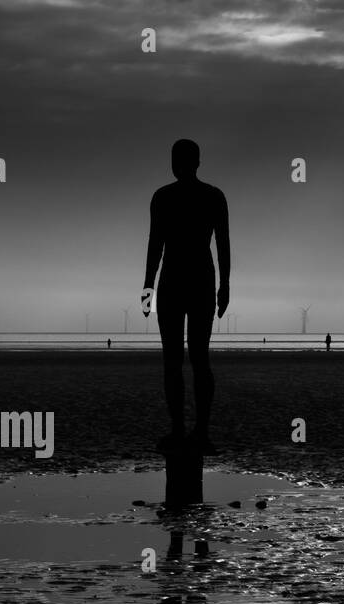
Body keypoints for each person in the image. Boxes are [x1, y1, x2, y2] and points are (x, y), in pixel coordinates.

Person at [141, 138, 230, 455]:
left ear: (184, 162)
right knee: (196, 359)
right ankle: (194, 431)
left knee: (177, 361)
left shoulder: (164, 197)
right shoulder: (212, 196)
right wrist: (225, 284)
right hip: (201, 280)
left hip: (177, 280)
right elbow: (223, 244)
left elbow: (156, 245)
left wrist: (148, 287)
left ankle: (185, 430)